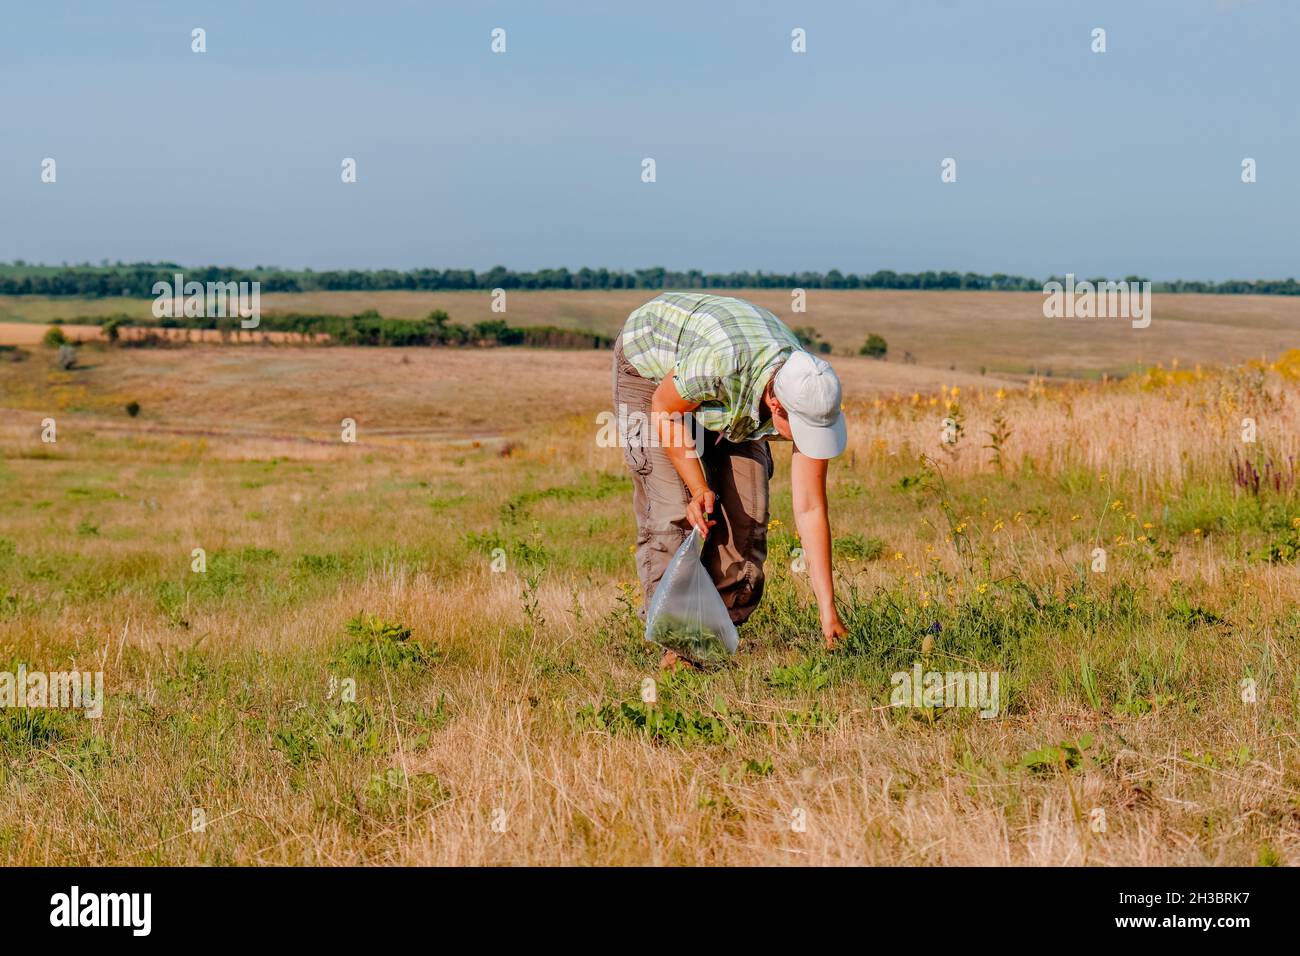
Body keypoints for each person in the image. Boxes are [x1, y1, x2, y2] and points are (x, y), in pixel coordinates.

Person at [611, 292, 849, 668]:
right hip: (652, 369)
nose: (807, 440)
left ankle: (712, 640)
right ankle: (678, 643)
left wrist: (828, 611)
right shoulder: (720, 363)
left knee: (748, 516)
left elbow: (810, 508)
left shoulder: (811, 390)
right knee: (674, 511)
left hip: (729, 390)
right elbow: (665, 409)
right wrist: (699, 488)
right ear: (776, 406)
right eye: (802, 430)